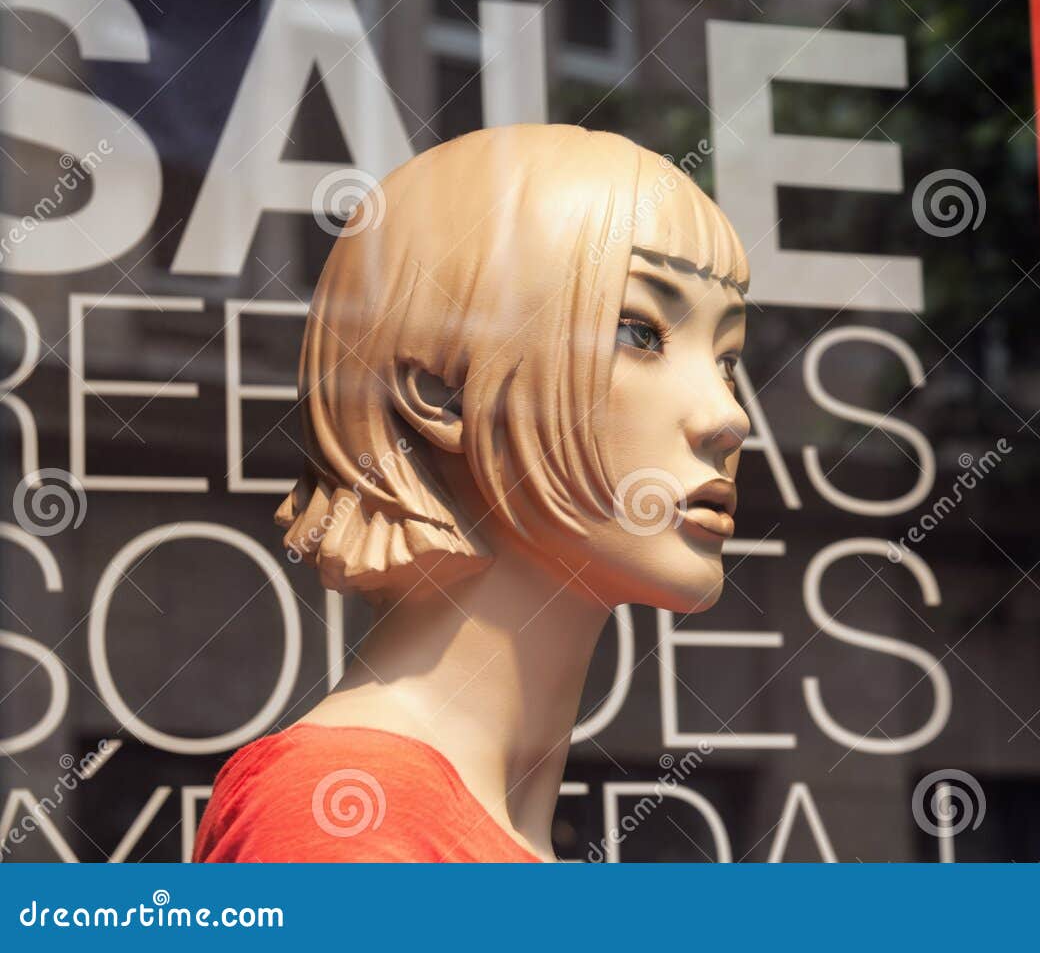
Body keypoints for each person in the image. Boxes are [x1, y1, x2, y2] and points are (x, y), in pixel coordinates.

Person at [194, 124, 750, 862]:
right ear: (439, 389)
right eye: (638, 332)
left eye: (730, 360)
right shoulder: (348, 814)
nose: (729, 417)